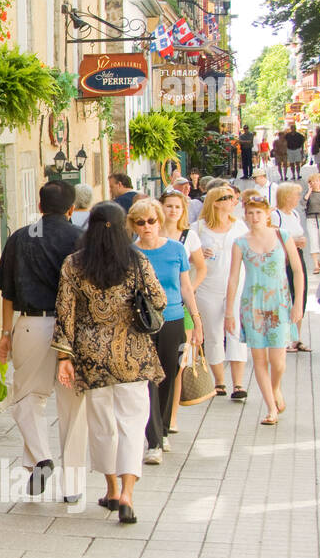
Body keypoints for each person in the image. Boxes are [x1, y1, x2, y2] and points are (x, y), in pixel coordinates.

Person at [53, 202, 166, 525]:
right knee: (132, 424)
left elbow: (65, 312)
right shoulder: (136, 260)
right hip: (132, 352)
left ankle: (112, 489)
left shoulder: (74, 264)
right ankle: (129, 494)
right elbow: (158, 299)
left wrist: (65, 356)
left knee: (103, 426)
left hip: (92, 356)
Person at [0, 180, 88, 501]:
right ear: (72, 208)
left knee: (27, 399)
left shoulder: (20, 238)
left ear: (39, 204)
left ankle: (40, 461)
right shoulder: (80, 239)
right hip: (72, 329)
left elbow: (8, 293)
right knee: (72, 408)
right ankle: (72, 488)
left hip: (31, 324)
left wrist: (6, 334)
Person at [128, 198, 203, 464]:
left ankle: (161, 426)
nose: (147, 226)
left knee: (170, 375)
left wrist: (194, 318)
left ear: (159, 221)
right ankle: (155, 441)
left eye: (151, 220)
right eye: (140, 222)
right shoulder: (131, 254)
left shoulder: (176, 250)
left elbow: (185, 287)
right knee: (149, 378)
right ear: (133, 225)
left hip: (173, 319)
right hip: (144, 323)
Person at [225, 192, 305, 425]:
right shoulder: (240, 242)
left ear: (267, 213)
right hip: (253, 304)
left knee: (278, 360)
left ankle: (276, 387)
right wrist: (230, 311)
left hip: (279, 302)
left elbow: (298, 271)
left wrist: (298, 303)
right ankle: (270, 407)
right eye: (250, 213)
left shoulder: (282, 236)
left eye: (259, 212)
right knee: (259, 359)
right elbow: (233, 278)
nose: (254, 216)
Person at [193, 185, 250, 401]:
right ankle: (219, 381)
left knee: (235, 332)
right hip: (208, 285)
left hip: (236, 284)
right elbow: (189, 254)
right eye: (228, 198)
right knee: (214, 334)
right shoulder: (198, 228)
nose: (234, 201)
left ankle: (238, 383)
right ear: (216, 202)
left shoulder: (239, 227)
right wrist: (198, 256)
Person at [160, 188, 208, 434]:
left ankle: (172, 416)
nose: (173, 210)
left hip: (182, 306)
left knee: (177, 363)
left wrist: (188, 289)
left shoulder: (188, 237)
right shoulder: (151, 233)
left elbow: (201, 268)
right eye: (169, 206)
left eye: (177, 207)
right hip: (156, 308)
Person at [273, 182, 311, 353]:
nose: (297, 198)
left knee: (299, 293)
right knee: (286, 294)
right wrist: (293, 242)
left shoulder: (294, 213)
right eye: (295, 195)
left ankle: (297, 337)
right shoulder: (276, 215)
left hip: (297, 255)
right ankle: (286, 336)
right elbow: (273, 237)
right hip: (284, 258)